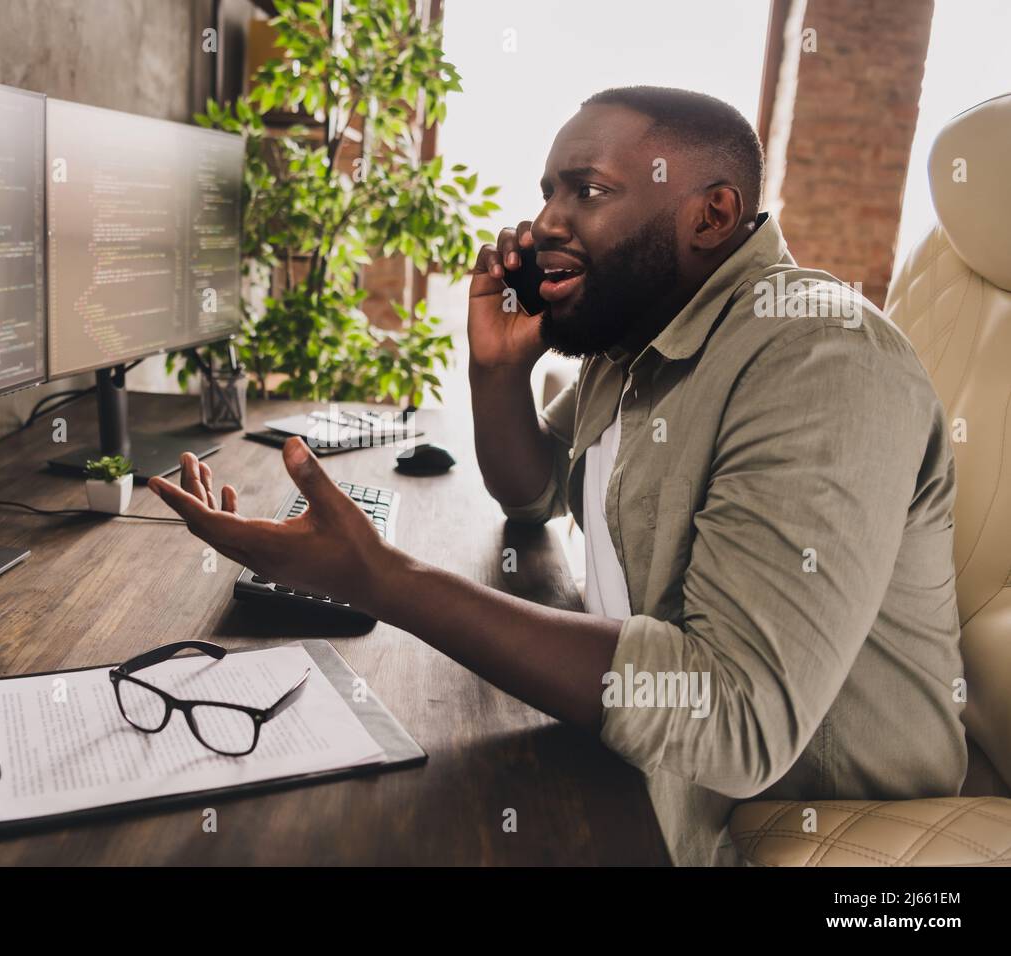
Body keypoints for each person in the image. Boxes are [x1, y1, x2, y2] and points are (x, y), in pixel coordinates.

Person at [147, 86, 966, 866]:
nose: (544, 223)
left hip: (767, 827)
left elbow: (735, 720)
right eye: (548, 192)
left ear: (711, 213)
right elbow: (533, 492)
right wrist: (497, 370)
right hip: (636, 768)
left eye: (588, 191)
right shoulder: (641, 337)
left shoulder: (820, 357)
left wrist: (381, 580)